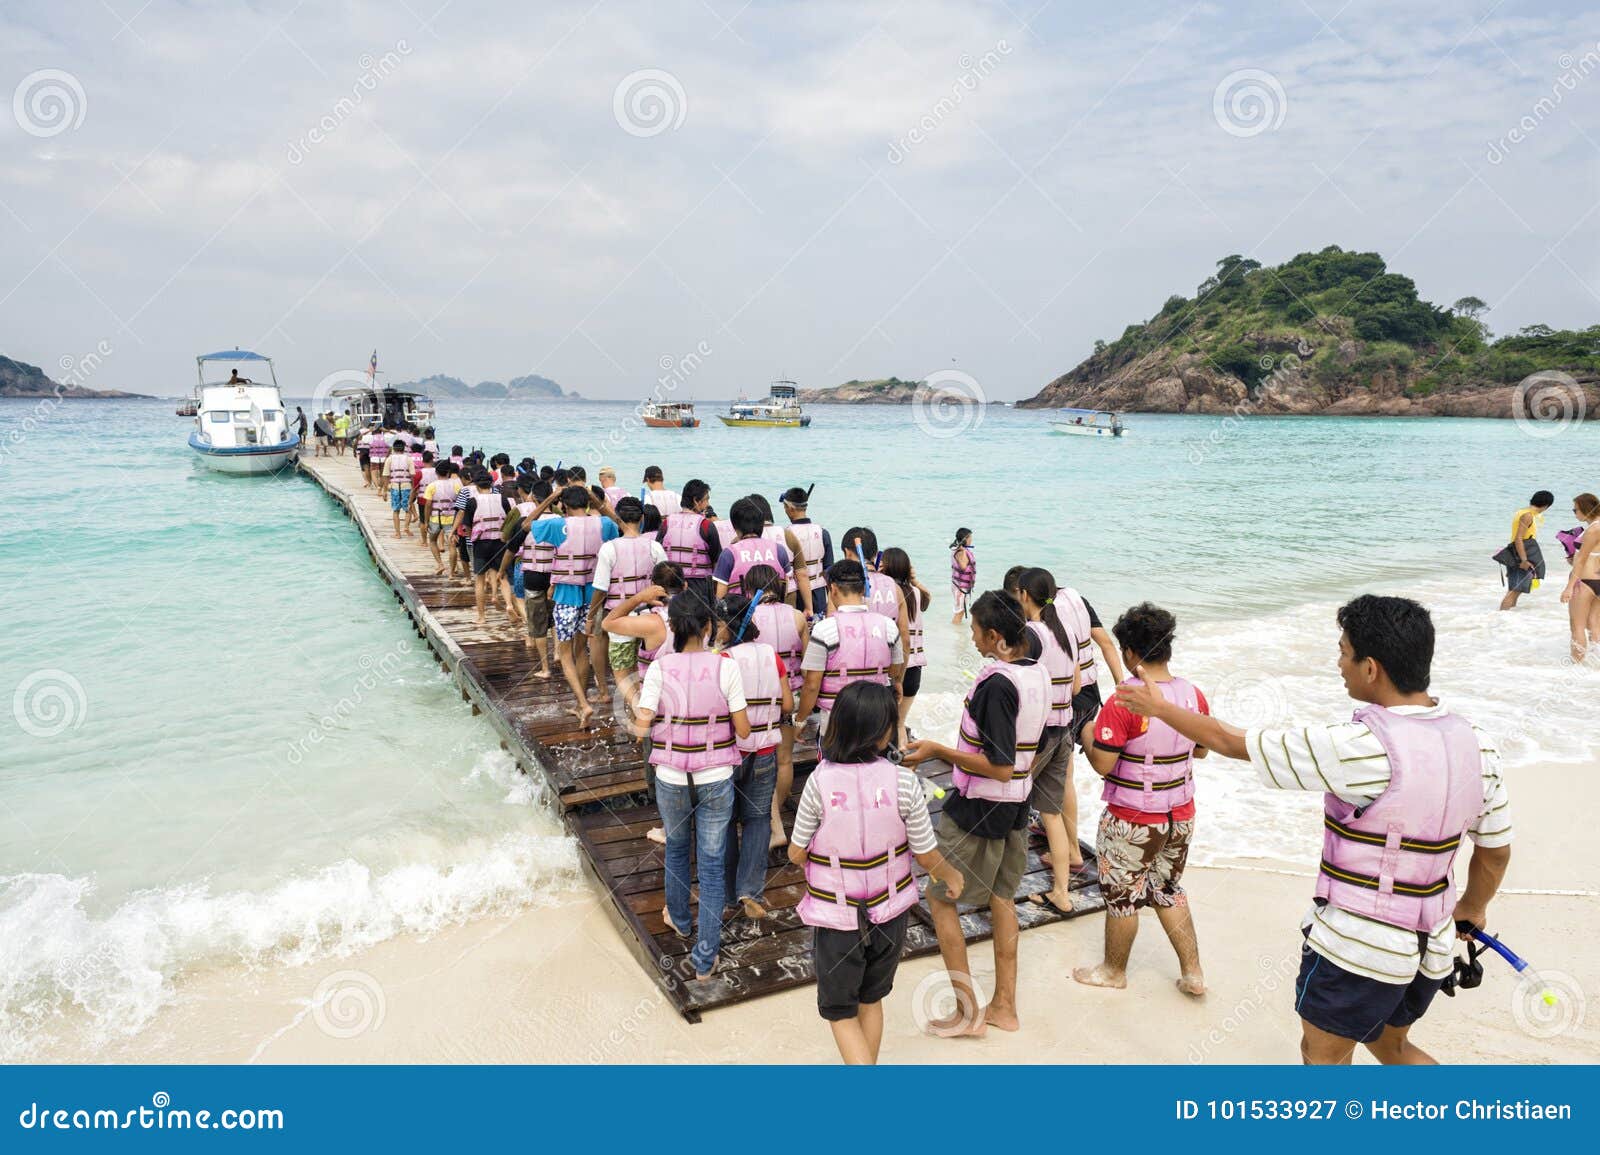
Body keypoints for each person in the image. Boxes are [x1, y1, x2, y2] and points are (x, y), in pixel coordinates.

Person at [1112, 594, 1512, 1065]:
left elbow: (1228, 741)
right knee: (1392, 1045)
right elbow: (1494, 853)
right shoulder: (1478, 744)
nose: (1339, 663)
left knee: (1321, 1057)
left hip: (1360, 949)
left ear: (1371, 668)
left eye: (1344, 652)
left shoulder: (1358, 747)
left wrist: (1158, 708)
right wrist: (1472, 908)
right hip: (1433, 942)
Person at [788, 681, 963, 1064]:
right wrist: (951, 875)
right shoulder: (904, 781)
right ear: (884, 733)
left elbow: (796, 852)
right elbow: (926, 854)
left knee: (840, 1012)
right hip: (890, 911)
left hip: (838, 917)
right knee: (871, 999)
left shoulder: (819, 781)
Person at [901, 590, 1049, 1037]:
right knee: (1003, 899)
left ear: (995, 635)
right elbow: (1030, 749)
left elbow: (1000, 766)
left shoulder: (998, 686)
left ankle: (967, 1013)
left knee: (940, 898)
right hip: (1017, 806)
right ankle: (1004, 1007)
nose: (972, 637)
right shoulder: (1037, 672)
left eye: (976, 630)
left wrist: (937, 750)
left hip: (981, 808)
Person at [1075, 602, 1208, 995]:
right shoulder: (1193, 695)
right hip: (1180, 814)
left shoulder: (1125, 701)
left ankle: (1113, 972)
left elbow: (1103, 764)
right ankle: (1193, 972)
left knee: (1121, 896)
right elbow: (1202, 750)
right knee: (1168, 889)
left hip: (1132, 818)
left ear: (1130, 652)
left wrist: (1086, 733)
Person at [633, 593, 751, 980]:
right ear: (708, 626)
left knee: (678, 848)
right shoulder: (725, 666)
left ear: (672, 627)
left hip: (670, 776)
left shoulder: (659, 668)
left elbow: (642, 727)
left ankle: (681, 920)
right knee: (713, 866)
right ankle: (705, 959)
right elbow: (743, 730)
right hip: (716, 775)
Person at [717, 591, 794, 920]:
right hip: (764, 750)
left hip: (730, 752)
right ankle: (750, 890)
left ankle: (728, 893)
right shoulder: (771, 655)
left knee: (725, 820)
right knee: (758, 819)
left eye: (718, 623)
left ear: (728, 626)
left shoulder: (724, 660)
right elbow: (788, 704)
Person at [1015, 567, 1084, 906]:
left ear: (1024, 594)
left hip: (1038, 735)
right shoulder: (1067, 630)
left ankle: (999, 886)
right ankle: (1061, 892)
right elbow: (1076, 685)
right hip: (1064, 731)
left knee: (1013, 804)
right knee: (1051, 813)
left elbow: (1018, 683)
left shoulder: (1031, 633)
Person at [524, 485, 620, 726]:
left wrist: (550, 498)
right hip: (592, 597)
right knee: (581, 650)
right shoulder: (603, 524)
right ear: (587, 503)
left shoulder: (558, 524)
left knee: (565, 654)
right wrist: (595, 500)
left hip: (567, 596)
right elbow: (619, 522)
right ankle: (580, 703)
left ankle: (583, 704)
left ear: (564, 505)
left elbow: (526, 525)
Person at [796, 560, 903, 739]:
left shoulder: (825, 629)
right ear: (863, 589)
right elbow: (895, 672)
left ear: (833, 589)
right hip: (877, 720)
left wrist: (800, 720)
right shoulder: (888, 626)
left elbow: (812, 685)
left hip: (835, 723)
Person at [743, 564, 809, 848]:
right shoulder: (797, 616)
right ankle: (777, 815)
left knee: (757, 758)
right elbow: (808, 663)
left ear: (749, 590)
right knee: (784, 760)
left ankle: (768, 820)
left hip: (758, 698)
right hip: (791, 695)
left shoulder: (747, 616)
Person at [590, 497, 667, 711]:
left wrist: (590, 617)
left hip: (620, 618)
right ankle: (644, 705)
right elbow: (666, 581)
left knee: (622, 670)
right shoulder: (654, 547)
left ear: (618, 520)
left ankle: (636, 706)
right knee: (643, 667)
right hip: (649, 617)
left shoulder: (609, 549)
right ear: (642, 519)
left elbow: (600, 589)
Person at [877, 547, 931, 741]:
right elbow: (927, 598)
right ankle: (901, 755)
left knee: (883, 725)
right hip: (915, 667)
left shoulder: (887, 595)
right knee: (899, 724)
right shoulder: (917, 593)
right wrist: (914, 580)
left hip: (896, 667)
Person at [840, 527, 911, 646]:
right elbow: (905, 639)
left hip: (854, 655)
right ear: (876, 554)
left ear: (847, 553)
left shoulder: (840, 586)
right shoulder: (895, 588)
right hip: (887, 655)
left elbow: (832, 632)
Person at [459, 469, 513, 626]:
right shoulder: (503, 499)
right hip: (499, 542)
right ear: (491, 484)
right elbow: (509, 521)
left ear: (476, 485)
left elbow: (467, 526)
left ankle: (482, 617)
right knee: (503, 577)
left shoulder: (472, 501)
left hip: (481, 543)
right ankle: (509, 605)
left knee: (480, 580)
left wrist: (472, 538)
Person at [713, 496, 793, 602]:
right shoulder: (779, 550)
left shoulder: (729, 554)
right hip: (775, 608)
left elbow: (720, 597)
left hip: (741, 611)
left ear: (735, 527)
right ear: (762, 525)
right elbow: (786, 590)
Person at [658, 478, 720, 608]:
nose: (708, 504)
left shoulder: (666, 523)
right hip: (699, 586)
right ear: (696, 501)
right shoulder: (706, 525)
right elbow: (716, 560)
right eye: (706, 499)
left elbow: (658, 551)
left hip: (670, 585)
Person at [1560, 493, 1600, 662]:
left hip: (1585, 582)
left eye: (1575, 510)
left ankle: (1576, 665)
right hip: (1597, 579)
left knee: (1577, 626)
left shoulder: (1593, 529)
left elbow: (1582, 559)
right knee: (1593, 624)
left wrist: (1569, 587)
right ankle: (1594, 663)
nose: (1574, 513)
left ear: (1586, 509)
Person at [780, 485, 832, 613]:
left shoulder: (785, 534)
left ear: (791, 508)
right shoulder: (822, 532)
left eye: (785, 507)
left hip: (796, 593)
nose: (785, 510)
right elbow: (829, 570)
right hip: (819, 593)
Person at [1497, 490, 1553, 610]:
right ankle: (1500, 616)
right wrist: (1524, 560)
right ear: (1546, 506)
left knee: (1516, 589)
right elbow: (1519, 538)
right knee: (1514, 591)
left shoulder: (1522, 512)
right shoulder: (1527, 516)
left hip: (1517, 551)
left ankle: (1505, 617)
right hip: (1520, 553)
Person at [423, 461, 461, 577]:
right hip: (451, 518)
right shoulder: (456, 485)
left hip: (435, 517)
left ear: (436, 472)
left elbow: (428, 504)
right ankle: (452, 572)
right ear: (448, 472)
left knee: (432, 541)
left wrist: (426, 521)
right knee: (452, 545)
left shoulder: (432, 486)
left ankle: (440, 564)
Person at [386, 438, 415, 539]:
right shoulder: (408, 459)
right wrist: (413, 488)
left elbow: (386, 475)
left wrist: (385, 489)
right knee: (408, 509)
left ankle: (397, 533)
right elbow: (412, 475)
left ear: (393, 449)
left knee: (396, 510)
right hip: (406, 486)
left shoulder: (389, 459)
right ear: (404, 449)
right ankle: (406, 527)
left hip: (394, 486)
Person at [950, 529, 975, 624]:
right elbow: (963, 566)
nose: (971, 539)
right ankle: (955, 629)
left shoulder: (959, 549)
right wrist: (963, 551)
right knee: (959, 612)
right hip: (960, 588)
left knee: (961, 610)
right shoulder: (960, 551)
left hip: (960, 586)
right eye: (970, 537)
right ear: (965, 539)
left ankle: (956, 631)